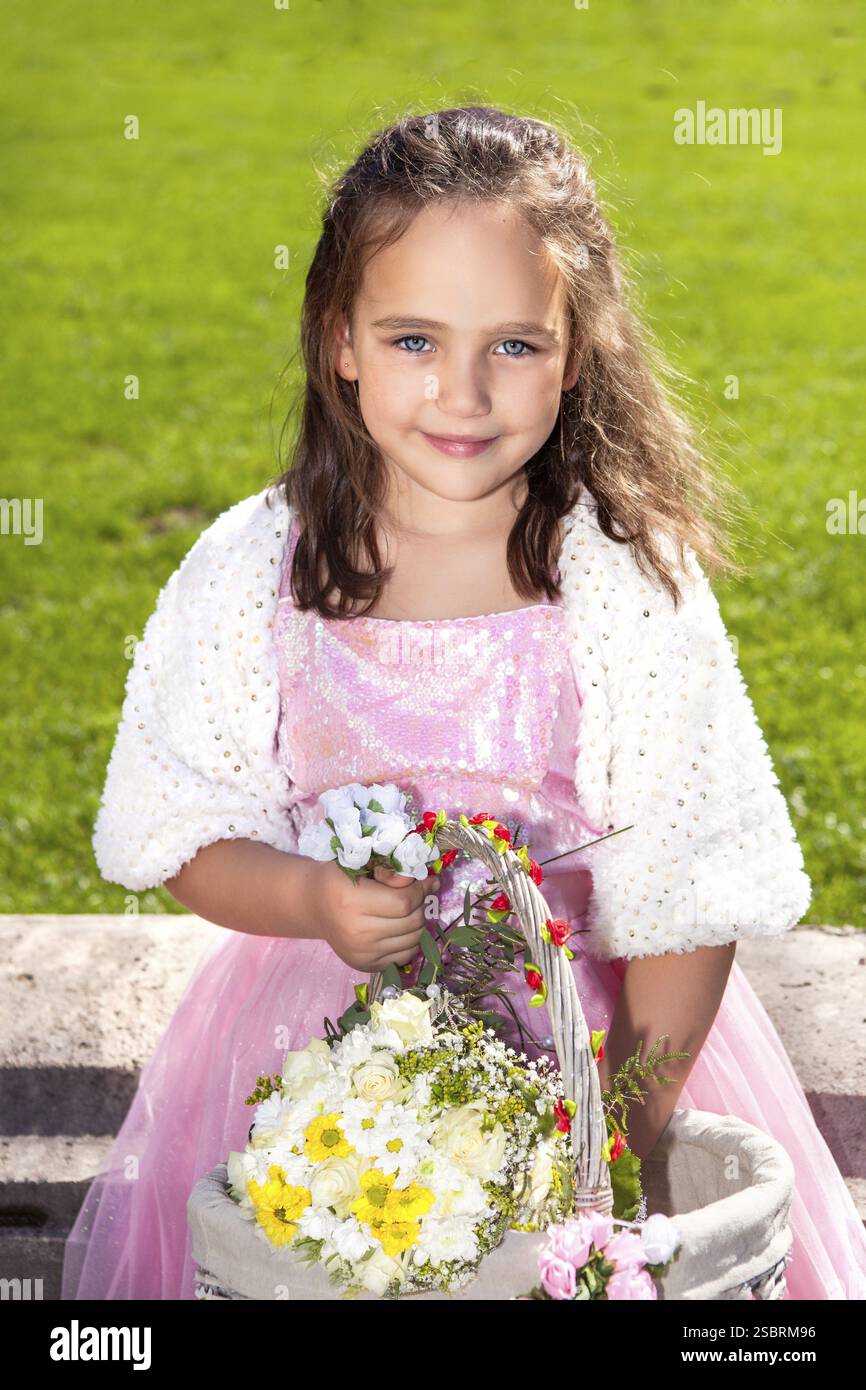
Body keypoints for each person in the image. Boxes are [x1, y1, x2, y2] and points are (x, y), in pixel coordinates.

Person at [62, 105, 866, 1301]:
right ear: (339, 340)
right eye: (411, 340)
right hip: (314, 1066)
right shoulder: (255, 570)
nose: (461, 392)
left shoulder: (619, 580)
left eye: (512, 346)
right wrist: (311, 897)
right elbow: (173, 831)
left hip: (587, 1048)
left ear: (575, 349)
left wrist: (616, 1146)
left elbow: (686, 895)